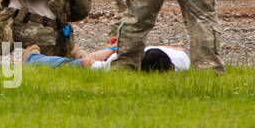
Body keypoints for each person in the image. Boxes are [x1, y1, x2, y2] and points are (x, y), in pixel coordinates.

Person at [24, 44, 189, 72]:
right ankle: (31, 57)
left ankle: (76, 50)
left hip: (141, 47)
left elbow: (179, 50)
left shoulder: (181, 60)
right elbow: (90, 62)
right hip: (117, 52)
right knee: (80, 63)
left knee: (77, 63)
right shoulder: (121, 67)